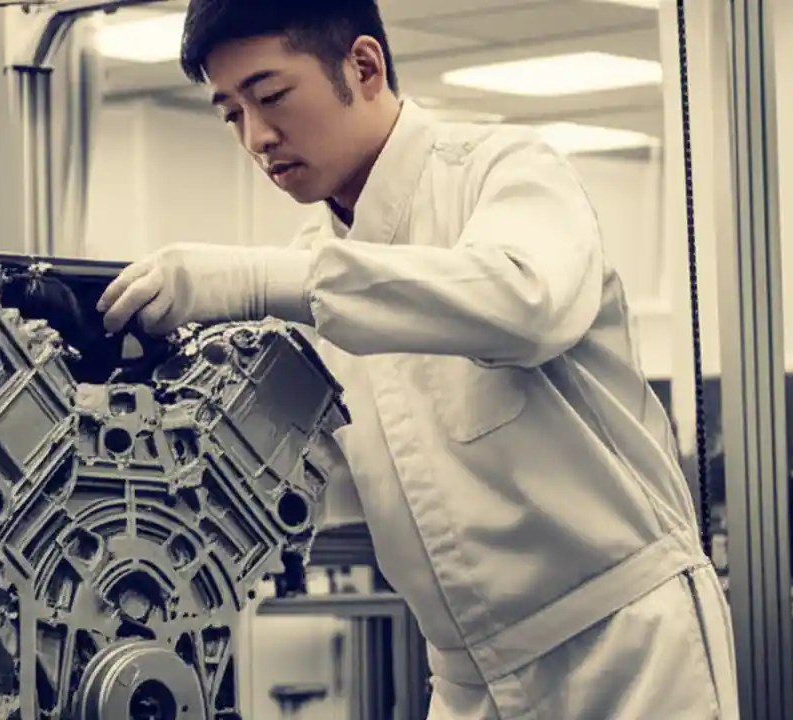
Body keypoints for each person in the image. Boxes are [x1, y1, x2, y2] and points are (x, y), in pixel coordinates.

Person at [95, 0, 739, 717]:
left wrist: (257, 282)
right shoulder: (311, 275)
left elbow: (529, 302)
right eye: (230, 114)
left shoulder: (502, 172)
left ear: (363, 66)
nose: (257, 137)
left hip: (621, 651)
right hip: (468, 677)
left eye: (272, 96)